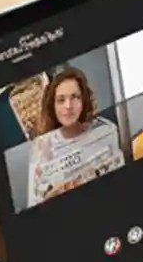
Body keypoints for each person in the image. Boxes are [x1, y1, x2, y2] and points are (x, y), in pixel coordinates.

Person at [25, 67, 124, 208]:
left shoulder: (105, 130)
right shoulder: (40, 148)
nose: (68, 106)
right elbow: (34, 205)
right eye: (61, 100)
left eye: (75, 97)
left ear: (83, 100)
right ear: (52, 106)